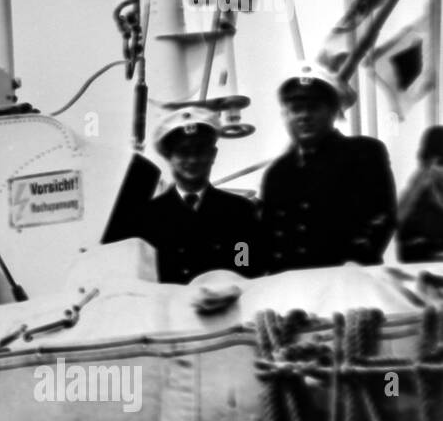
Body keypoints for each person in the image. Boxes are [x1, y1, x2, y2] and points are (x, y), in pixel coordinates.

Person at [260, 61, 396, 274]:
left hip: (348, 280)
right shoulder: (277, 173)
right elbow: (263, 238)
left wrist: (358, 262)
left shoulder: (363, 153)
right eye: (296, 108)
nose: (304, 116)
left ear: (333, 111)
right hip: (289, 287)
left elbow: (381, 216)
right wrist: (244, 272)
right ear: (286, 115)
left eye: (313, 107)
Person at [106, 107, 260, 283]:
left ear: (213, 154)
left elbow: (247, 267)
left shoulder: (240, 212)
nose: (192, 160)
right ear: (169, 156)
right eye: (183, 152)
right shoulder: (145, 218)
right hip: (165, 309)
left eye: (200, 151)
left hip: (227, 307)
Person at [396, 126, 443, 263]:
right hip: (418, 266)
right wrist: (418, 185)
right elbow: (396, 223)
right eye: (439, 162)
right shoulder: (419, 186)